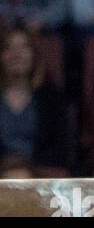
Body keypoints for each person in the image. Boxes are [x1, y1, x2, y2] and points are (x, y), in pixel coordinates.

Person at [0, 25, 70, 170]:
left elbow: (61, 148)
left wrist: (28, 169)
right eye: (8, 48)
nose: (16, 54)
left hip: (40, 174)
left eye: (24, 47)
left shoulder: (52, 98)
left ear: (34, 55)